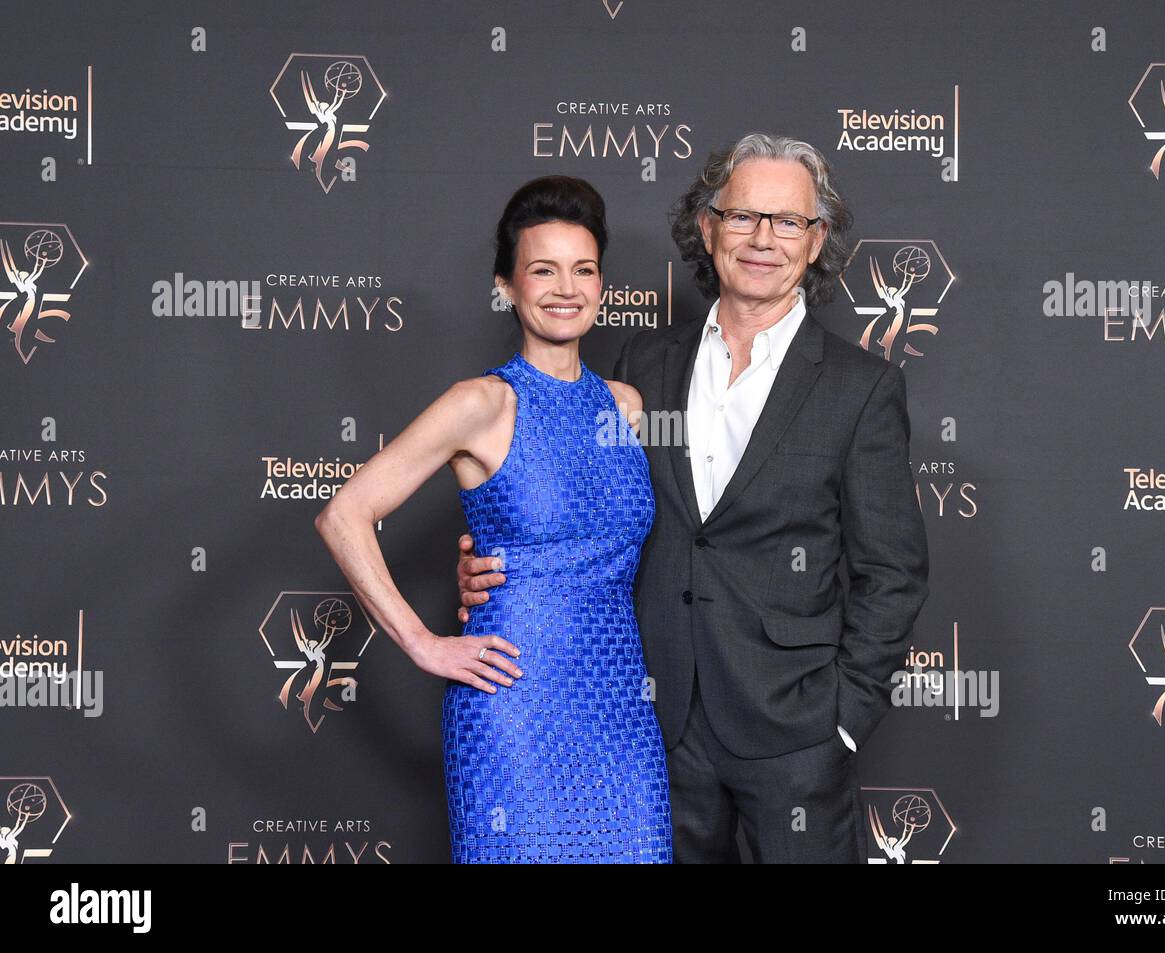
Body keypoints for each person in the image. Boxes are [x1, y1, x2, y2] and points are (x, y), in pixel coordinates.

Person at [459, 134, 930, 863]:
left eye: (787, 222)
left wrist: (842, 719)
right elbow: (578, 509)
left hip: (795, 733)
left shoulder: (860, 388)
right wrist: (495, 562)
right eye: (742, 216)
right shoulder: (642, 365)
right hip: (652, 722)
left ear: (817, 241)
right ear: (708, 229)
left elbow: (893, 570)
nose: (762, 239)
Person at [315, 175, 672, 863]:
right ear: (507, 285)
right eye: (542, 269)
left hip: (620, 712)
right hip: (513, 710)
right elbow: (344, 515)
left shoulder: (625, 406)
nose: (565, 287)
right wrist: (424, 643)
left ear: (602, 285)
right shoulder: (481, 403)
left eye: (583, 269)